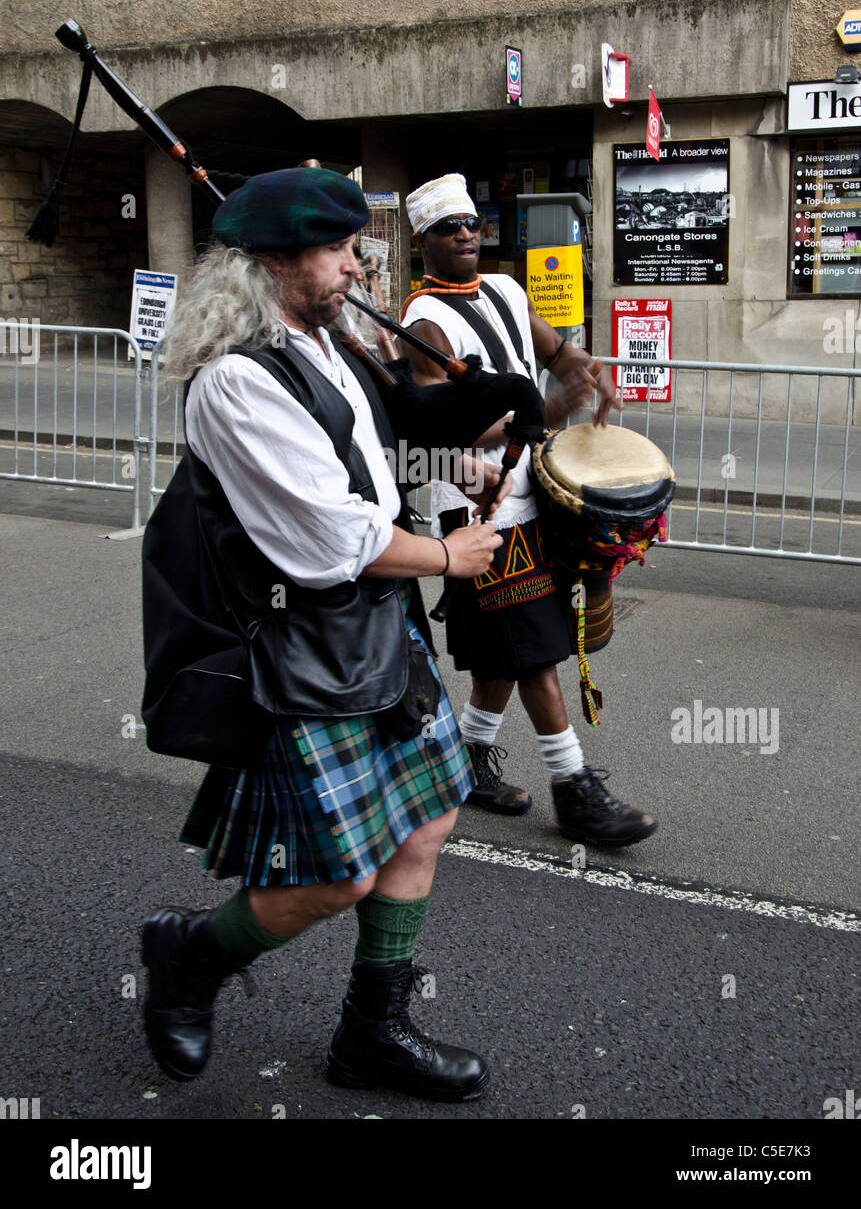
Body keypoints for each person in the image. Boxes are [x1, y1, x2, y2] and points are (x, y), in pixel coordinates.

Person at [140, 166, 512, 1102]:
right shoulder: (234, 384)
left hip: (380, 629)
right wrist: (446, 559)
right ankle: (192, 954)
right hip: (310, 647)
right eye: (341, 250)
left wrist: (453, 468)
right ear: (275, 262)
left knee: (426, 823)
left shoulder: (324, 342)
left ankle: (369, 1036)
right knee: (338, 876)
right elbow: (325, 540)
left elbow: (365, 466)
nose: (358, 266)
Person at [401, 172, 658, 848]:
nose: (464, 235)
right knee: (537, 646)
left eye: (470, 224)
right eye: (446, 228)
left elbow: (558, 350)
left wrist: (585, 370)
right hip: (476, 507)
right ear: (421, 240)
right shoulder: (422, 323)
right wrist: (546, 411)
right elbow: (438, 430)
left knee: (503, 651)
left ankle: (459, 763)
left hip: (532, 493)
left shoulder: (509, 291)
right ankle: (573, 787)